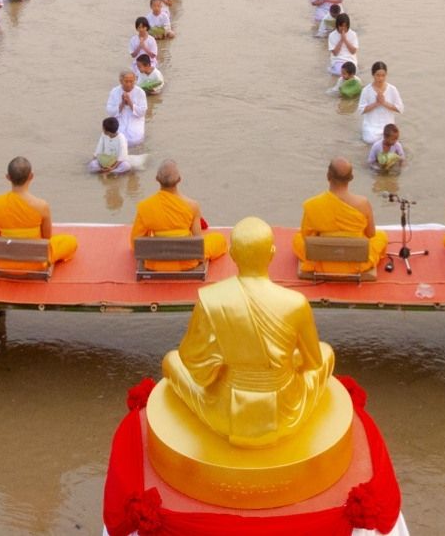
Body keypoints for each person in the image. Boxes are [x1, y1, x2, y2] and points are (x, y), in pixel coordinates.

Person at [160, 217, 336, 449]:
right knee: (326, 352)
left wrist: (226, 360)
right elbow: (312, 362)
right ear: (272, 254)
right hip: (285, 414)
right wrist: (284, 364)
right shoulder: (296, 303)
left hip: (225, 416)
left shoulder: (212, 299)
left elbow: (195, 366)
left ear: (232, 255)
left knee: (171, 360)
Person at [0, 156, 78, 271]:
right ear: (31, 176)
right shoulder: (42, 206)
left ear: (8, 177)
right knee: (71, 241)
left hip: (4, 261)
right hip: (36, 261)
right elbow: (46, 238)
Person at [292, 158, 386, 275]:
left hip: (322, 262)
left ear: (328, 176)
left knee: (297, 238)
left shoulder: (313, 204)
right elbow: (371, 234)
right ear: (351, 178)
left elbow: (306, 235)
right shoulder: (363, 203)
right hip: (357, 263)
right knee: (381, 236)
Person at [131, 159, 227, 271]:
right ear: (179, 180)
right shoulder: (192, 206)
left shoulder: (145, 207)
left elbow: (135, 242)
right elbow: (198, 244)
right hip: (187, 262)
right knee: (219, 239)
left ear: (157, 179)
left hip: (155, 263)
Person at [107, 68, 148, 148]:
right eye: (126, 81)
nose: (129, 84)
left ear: (134, 81)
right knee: (117, 139)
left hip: (135, 119)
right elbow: (109, 111)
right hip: (120, 118)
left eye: (131, 81)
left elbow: (142, 112)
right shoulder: (114, 91)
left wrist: (130, 103)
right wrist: (122, 104)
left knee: (135, 140)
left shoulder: (140, 92)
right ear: (121, 81)